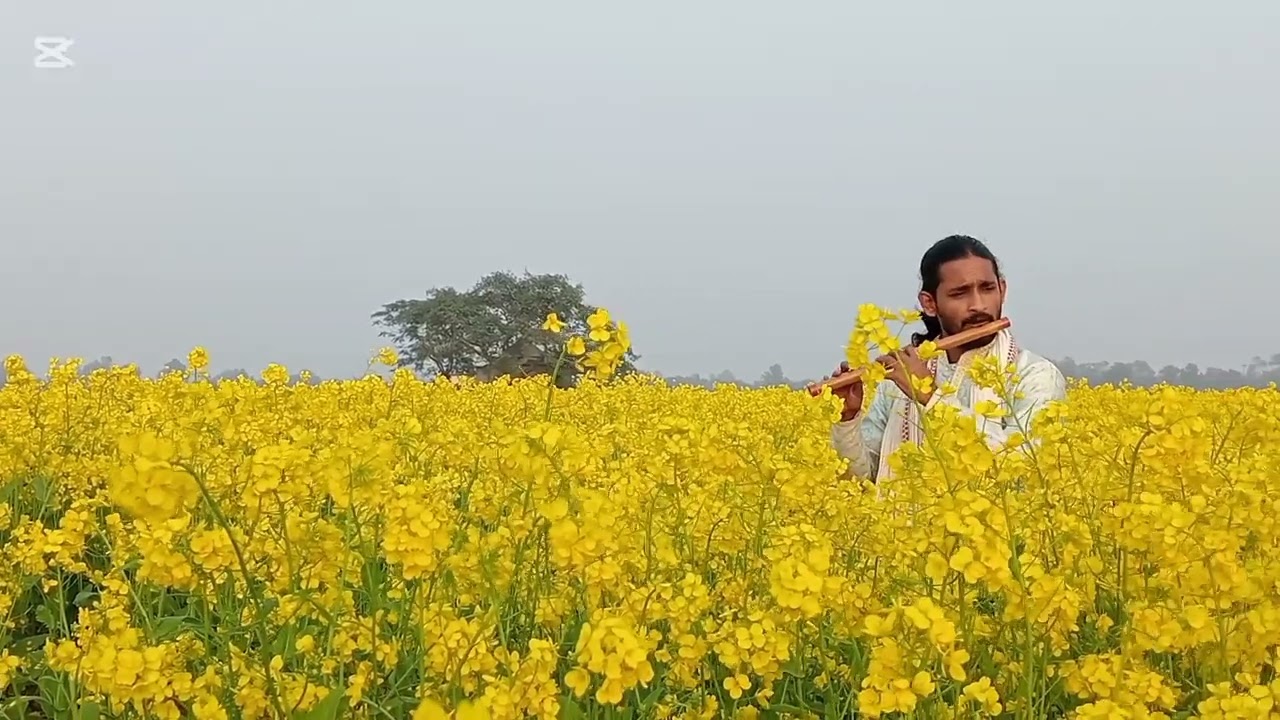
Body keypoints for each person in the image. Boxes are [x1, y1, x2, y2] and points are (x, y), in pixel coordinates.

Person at [826, 235, 1067, 481]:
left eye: (987, 289)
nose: (978, 305)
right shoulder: (897, 381)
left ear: (1002, 290)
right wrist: (847, 419)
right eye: (960, 294)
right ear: (929, 304)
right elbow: (862, 481)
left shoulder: (1035, 375)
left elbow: (1024, 470)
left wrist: (932, 397)